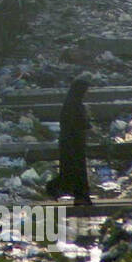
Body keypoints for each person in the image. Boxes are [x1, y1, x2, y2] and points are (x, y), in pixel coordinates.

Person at [46, 77, 93, 205]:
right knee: (73, 170)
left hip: (76, 143)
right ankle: (55, 189)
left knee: (75, 170)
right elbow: (73, 124)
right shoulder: (73, 105)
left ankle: (81, 196)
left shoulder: (75, 103)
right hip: (71, 143)